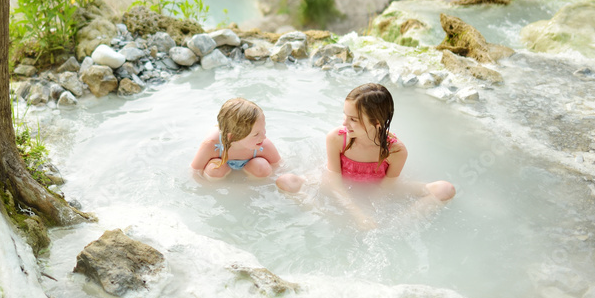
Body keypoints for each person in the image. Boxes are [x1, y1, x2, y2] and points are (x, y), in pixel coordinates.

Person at [324, 83, 455, 227]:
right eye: (345, 114)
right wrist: (358, 215)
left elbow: (385, 188)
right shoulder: (336, 138)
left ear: (376, 122)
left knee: (445, 189)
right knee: (294, 182)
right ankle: (342, 221)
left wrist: (373, 212)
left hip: (378, 186)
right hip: (342, 186)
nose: (344, 123)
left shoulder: (395, 151)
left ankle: (399, 225)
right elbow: (333, 182)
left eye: (353, 119)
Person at [191, 98, 300, 191]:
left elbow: (280, 167)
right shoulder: (211, 144)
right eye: (256, 134)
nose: (264, 137)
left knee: (262, 167)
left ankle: (249, 189)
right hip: (221, 165)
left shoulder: (263, 145)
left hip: (251, 166)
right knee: (214, 169)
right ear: (232, 137)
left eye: (264, 129)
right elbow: (195, 172)